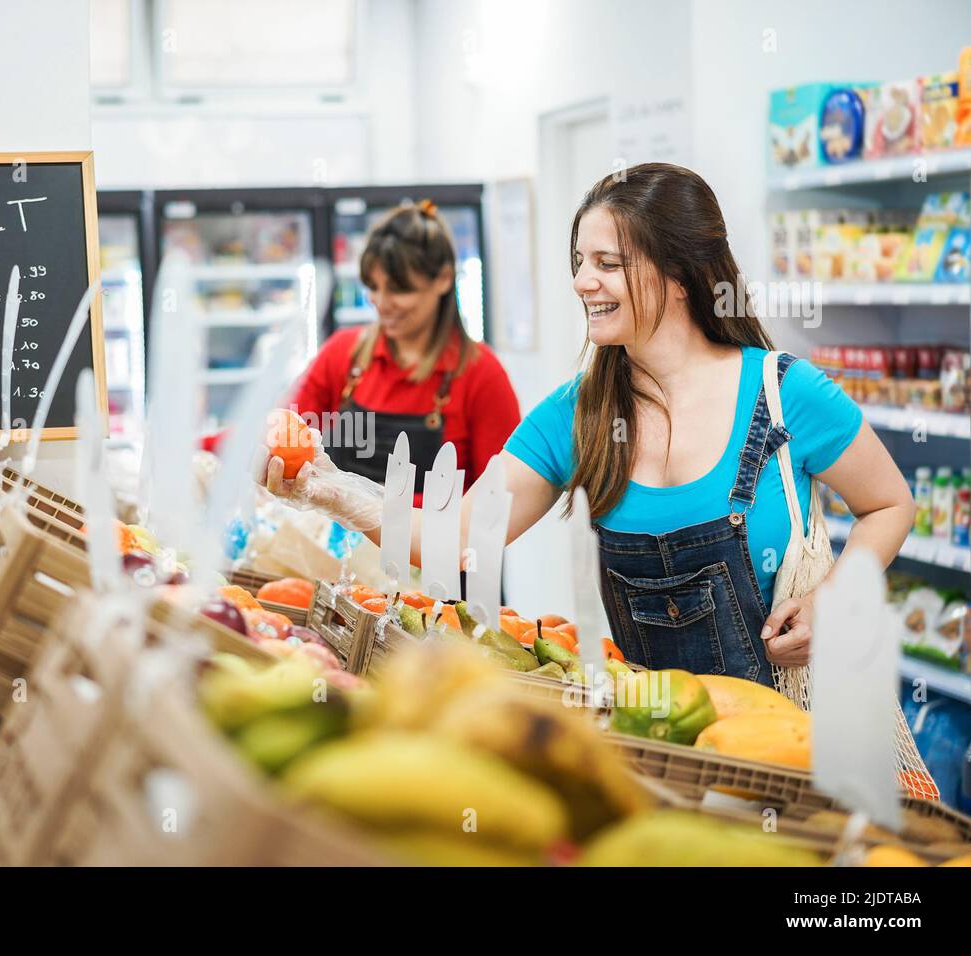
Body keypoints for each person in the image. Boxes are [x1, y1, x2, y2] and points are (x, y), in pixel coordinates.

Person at [257, 163, 915, 686]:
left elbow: (889, 504)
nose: (581, 281)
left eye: (607, 263)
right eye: (579, 261)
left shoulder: (784, 392)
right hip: (658, 741)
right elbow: (461, 537)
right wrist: (328, 488)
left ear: (681, 275)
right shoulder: (578, 414)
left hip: (794, 743)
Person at [287, 199, 520, 506]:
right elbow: (289, 432)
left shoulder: (481, 375)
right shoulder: (343, 355)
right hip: (336, 553)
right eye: (373, 286)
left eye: (399, 289)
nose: (381, 302)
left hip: (434, 553)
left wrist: (377, 507)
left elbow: (499, 502)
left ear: (444, 279)